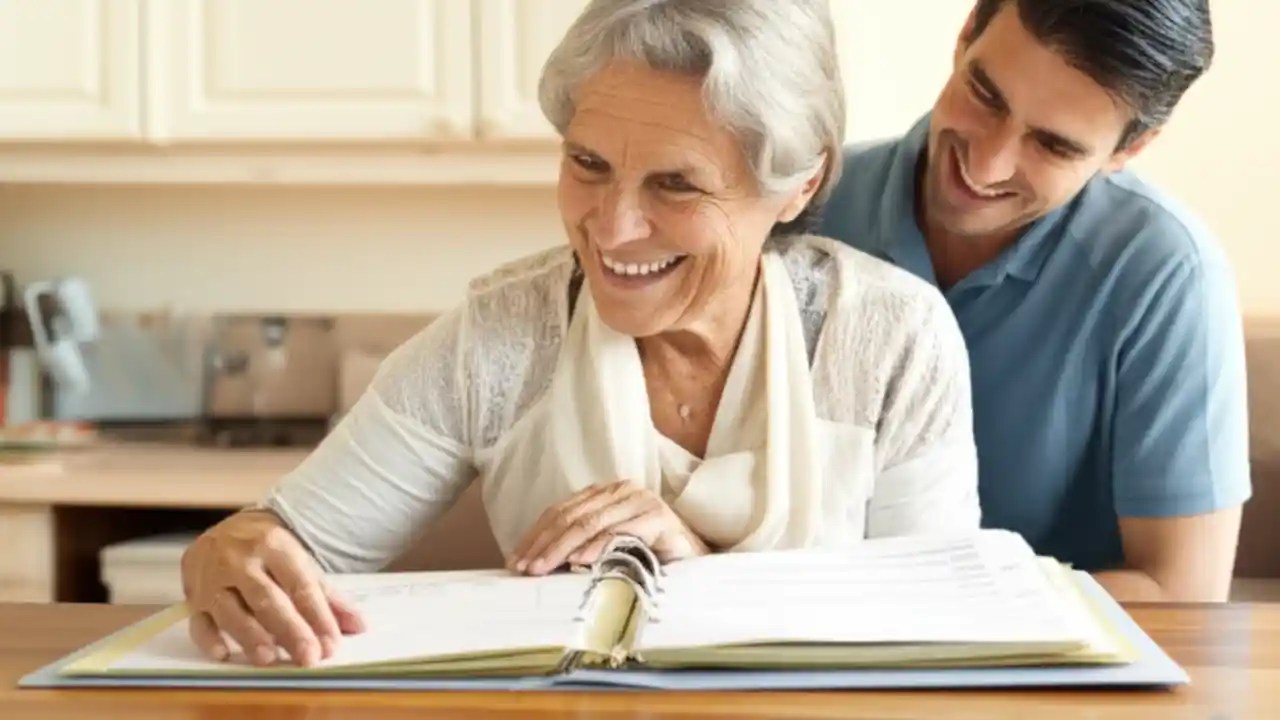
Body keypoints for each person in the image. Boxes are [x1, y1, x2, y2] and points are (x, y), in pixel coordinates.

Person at [180, 0, 980, 668]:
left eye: (675, 183)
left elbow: (932, 625)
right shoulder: (499, 339)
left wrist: (695, 571)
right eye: (588, 163)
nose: (614, 226)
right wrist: (233, 553)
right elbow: (293, 539)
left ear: (798, 185)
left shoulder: (889, 339)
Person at [819, 0, 1250, 603]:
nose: (986, 164)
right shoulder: (804, 207)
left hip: (1052, 682)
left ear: (1129, 149)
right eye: (985, 96)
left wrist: (944, 620)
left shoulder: (1166, 274)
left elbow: (1181, 590)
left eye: (1054, 145)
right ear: (966, 34)